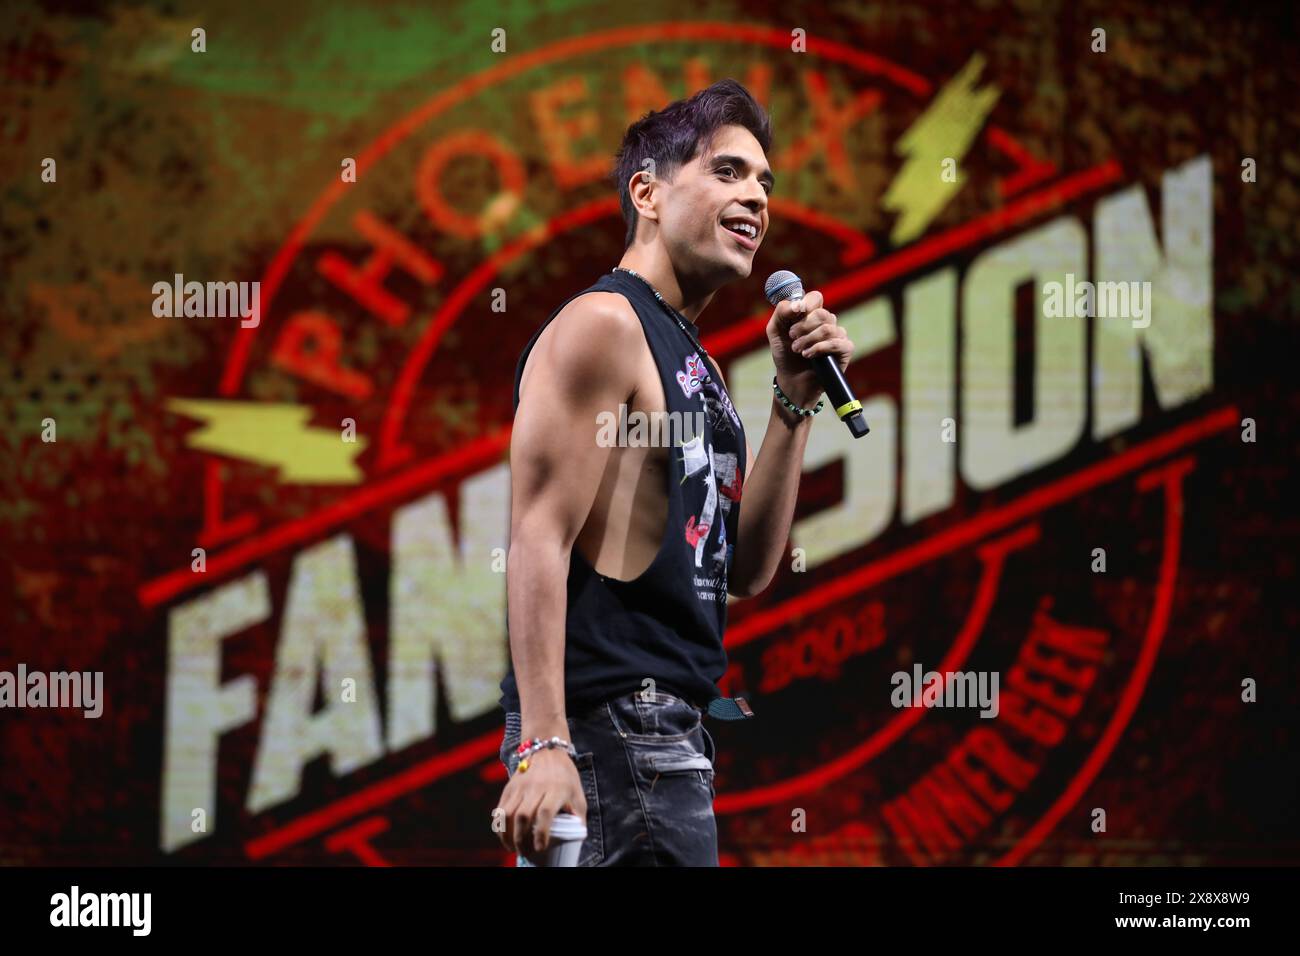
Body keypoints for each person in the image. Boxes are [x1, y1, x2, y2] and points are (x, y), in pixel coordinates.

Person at [492, 78, 854, 866]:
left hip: (668, 734)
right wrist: (543, 743)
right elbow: (537, 535)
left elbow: (748, 569)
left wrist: (792, 403)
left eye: (765, 182)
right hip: (607, 730)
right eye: (727, 172)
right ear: (647, 193)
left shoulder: (700, 368)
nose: (757, 197)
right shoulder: (605, 325)